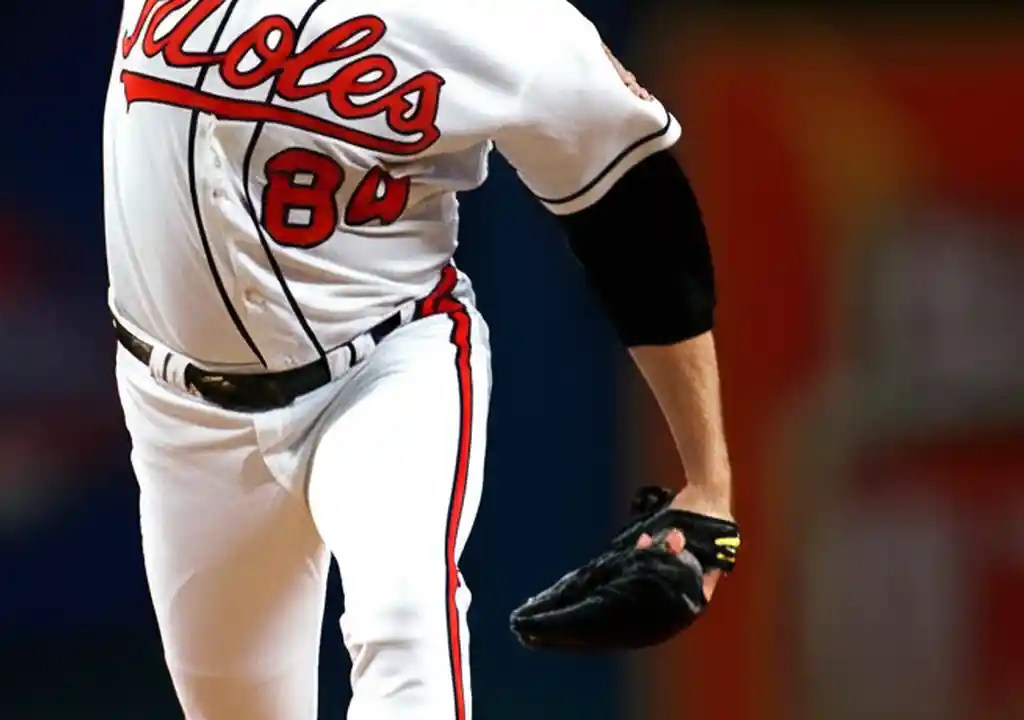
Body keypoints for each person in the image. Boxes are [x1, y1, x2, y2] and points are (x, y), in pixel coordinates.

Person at [103, 0, 734, 717]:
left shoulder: (500, 19)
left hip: (380, 374)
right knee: (231, 701)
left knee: (405, 631)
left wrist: (709, 487)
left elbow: (636, 216)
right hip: (180, 410)